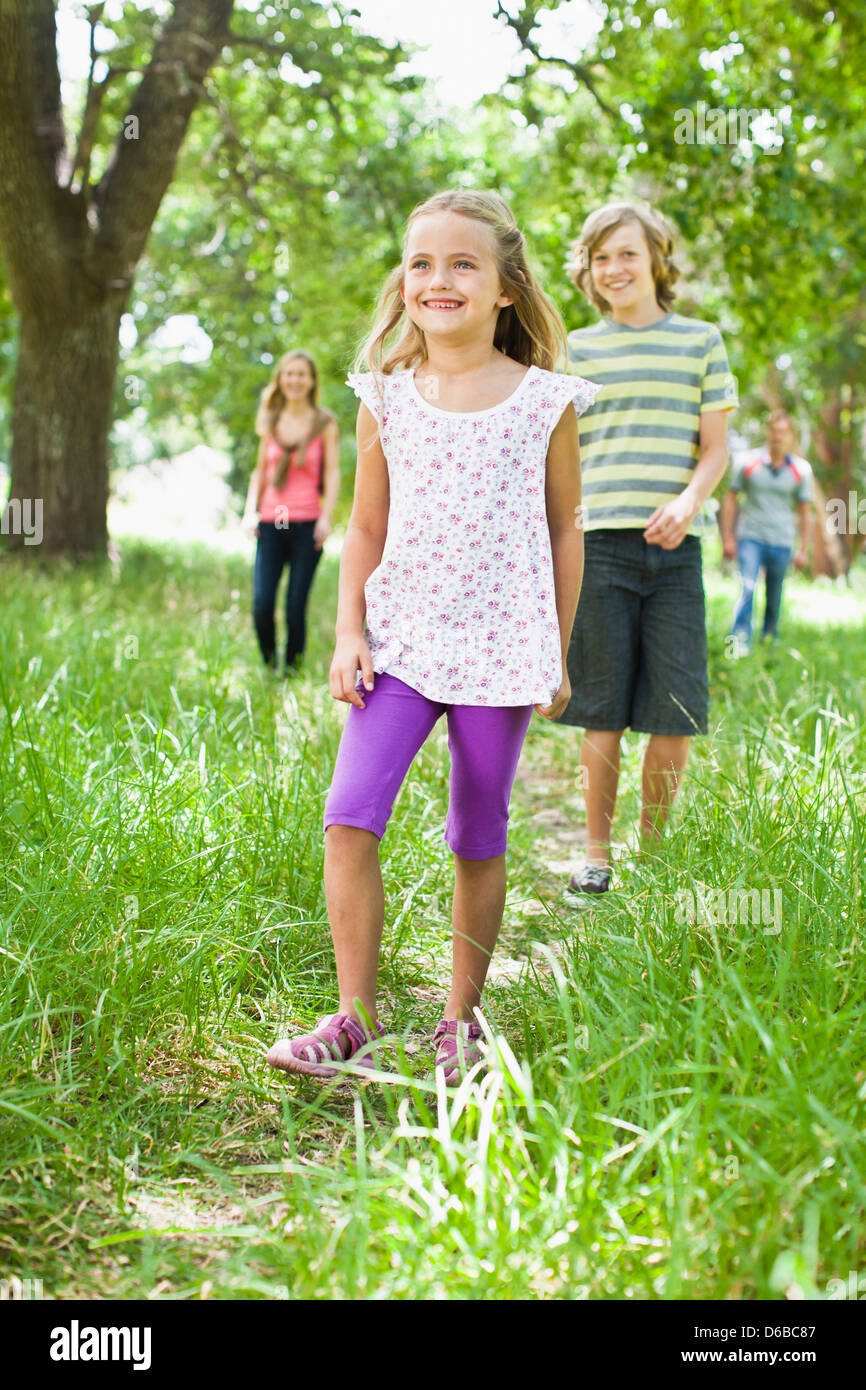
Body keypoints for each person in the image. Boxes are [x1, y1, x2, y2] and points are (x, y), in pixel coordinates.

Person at [266, 190, 598, 1084]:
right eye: (421, 263)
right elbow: (364, 525)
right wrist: (348, 632)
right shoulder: (384, 397)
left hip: (500, 651)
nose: (437, 278)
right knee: (348, 817)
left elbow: (568, 526)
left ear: (504, 289)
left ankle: (461, 1020)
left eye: (462, 264)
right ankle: (354, 1018)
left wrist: (556, 650)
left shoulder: (545, 401)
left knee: (476, 834)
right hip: (402, 643)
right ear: (403, 282)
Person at [557, 201, 738, 898]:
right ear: (590, 271)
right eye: (601, 258)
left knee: (676, 711)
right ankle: (597, 856)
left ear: (656, 258)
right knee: (600, 708)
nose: (614, 269)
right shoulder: (577, 349)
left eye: (627, 253)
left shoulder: (700, 341)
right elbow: (561, 457)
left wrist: (689, 502)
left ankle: (653, 859)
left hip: (675, 553)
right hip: (597, 547)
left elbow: (714, 449)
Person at [247, 351, 339, 672]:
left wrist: (326, 518)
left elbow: (331, 473)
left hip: (306, 523)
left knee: (294, 607)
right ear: (280, 379)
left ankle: (293, 670)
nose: (295, 380)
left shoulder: (323, 422)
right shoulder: (271, 418)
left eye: (301, 374)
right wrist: (250, 511)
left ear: (312, 380)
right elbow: (260, 471)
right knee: (262, 603)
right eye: (289, 374)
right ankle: (271, 665)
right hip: (272, 521)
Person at [720, 409, 814, 649]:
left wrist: (804, 548)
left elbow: (805, 512)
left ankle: (770, 640)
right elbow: (730, 500)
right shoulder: (746, 462)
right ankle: (740, 641)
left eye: (783, 432)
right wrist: (727, 538)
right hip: (751, 536)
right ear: (767, 431)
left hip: (782, 540)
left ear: (791, 435)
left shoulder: (801, 470)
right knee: (748, 587)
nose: (777, 436)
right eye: (773, 430)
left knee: (775, 594)